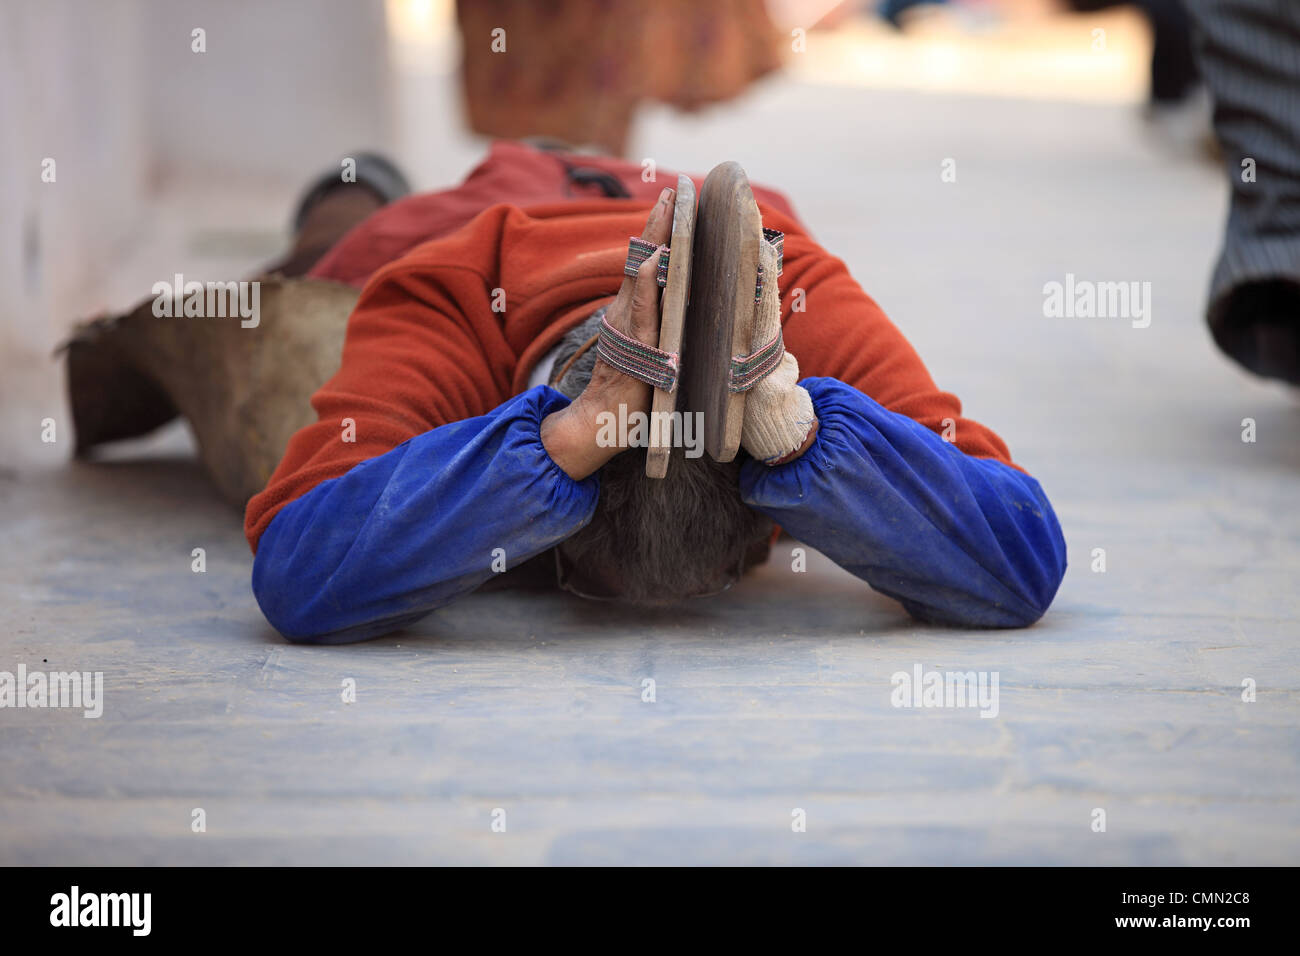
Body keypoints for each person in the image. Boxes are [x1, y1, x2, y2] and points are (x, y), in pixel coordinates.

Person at [243, 140, 1067, 643]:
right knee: (323, 259)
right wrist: (578, 430)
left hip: (645, 192)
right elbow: (298, 575)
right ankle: (354, 186)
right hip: (473, 205)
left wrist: (795, 426)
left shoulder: (790, 289)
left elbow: (1022, 562)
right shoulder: (448, 288)